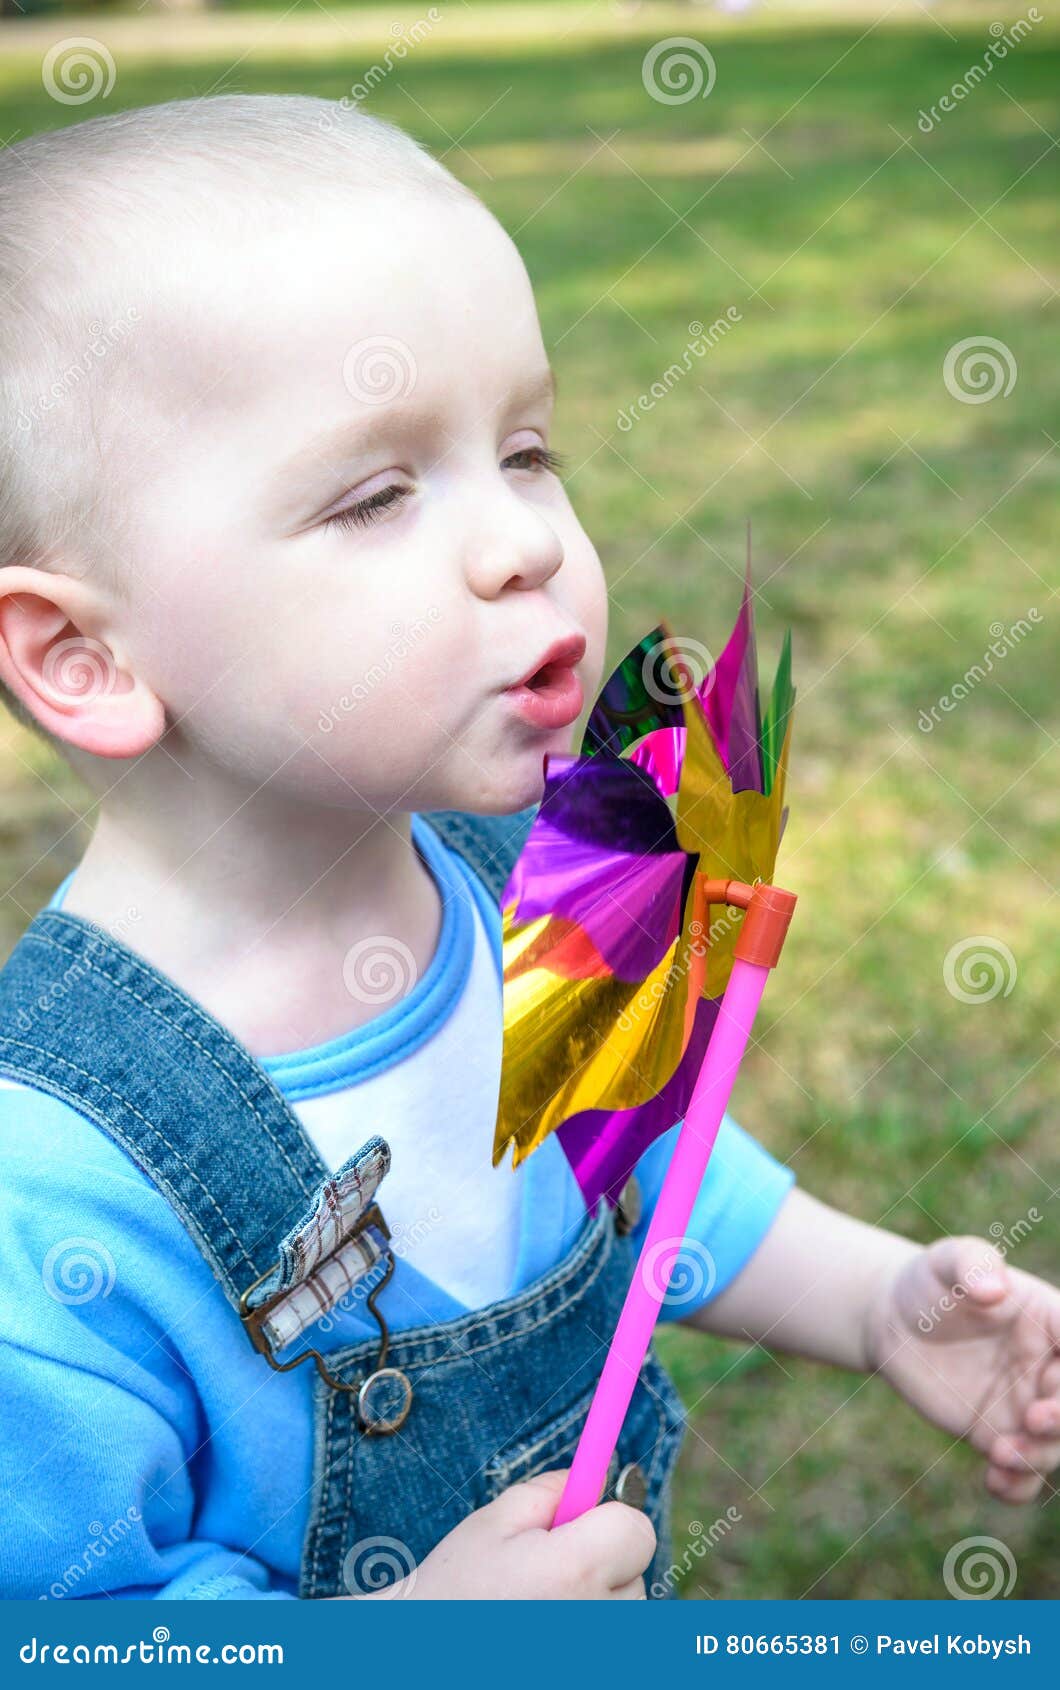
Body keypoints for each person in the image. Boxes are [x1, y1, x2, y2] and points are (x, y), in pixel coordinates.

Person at [0, 95, 1056, 1603]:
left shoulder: (525, 887)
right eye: (375, 493)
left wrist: (874, 1300)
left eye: (527, 449)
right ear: (84, 657)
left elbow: (649, 1170)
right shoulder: (46, 1186)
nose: (528, 544)